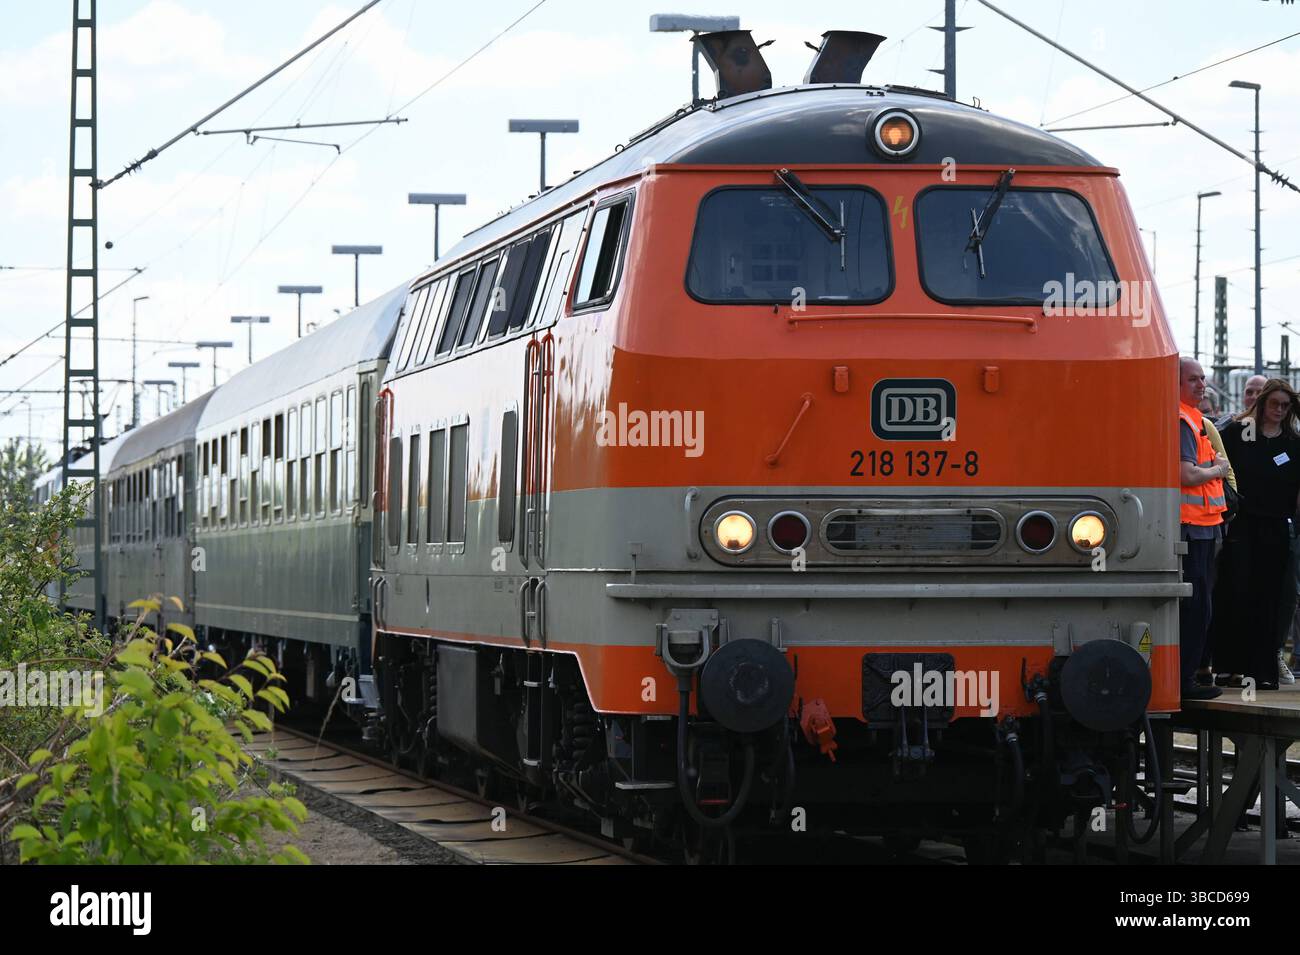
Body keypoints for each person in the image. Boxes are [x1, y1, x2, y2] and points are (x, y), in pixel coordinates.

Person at [1210, 379, 1300, 691]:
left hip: (1276, 526)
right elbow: (1215, 461)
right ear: (1262, 403)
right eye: (1274, 403)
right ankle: (1227, 666)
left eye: (1285, 406)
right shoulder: (1237, 433)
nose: (1279, 410)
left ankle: (1262, 671)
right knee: (1236, 591)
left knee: (1269, 597)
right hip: (1241, 523)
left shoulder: (1292, 442)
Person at [1177, 358, 1227, 701]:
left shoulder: (1194, 419)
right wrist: (1218, 469)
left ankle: (1186, 678)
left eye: (1203, 378)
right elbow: (1186, 474)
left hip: (1203, 526)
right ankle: (1184, 682)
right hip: (1191, 528)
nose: (1202, 384)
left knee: (1200, 606)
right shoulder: (1182, 420)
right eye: (1193, 379)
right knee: (1195, 608)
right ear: (1175, 383)